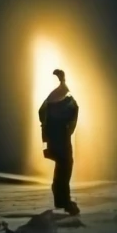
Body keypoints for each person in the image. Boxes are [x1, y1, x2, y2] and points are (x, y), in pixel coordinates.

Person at [38, 68, 80, 215]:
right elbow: (74, 109)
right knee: (64, 170)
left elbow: (43, 119)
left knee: (62, 171)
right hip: (61, 144)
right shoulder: (61, 105)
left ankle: (62, 200)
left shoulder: (48, 108)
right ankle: (64, 201)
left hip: (56, 144)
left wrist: (45, 147)